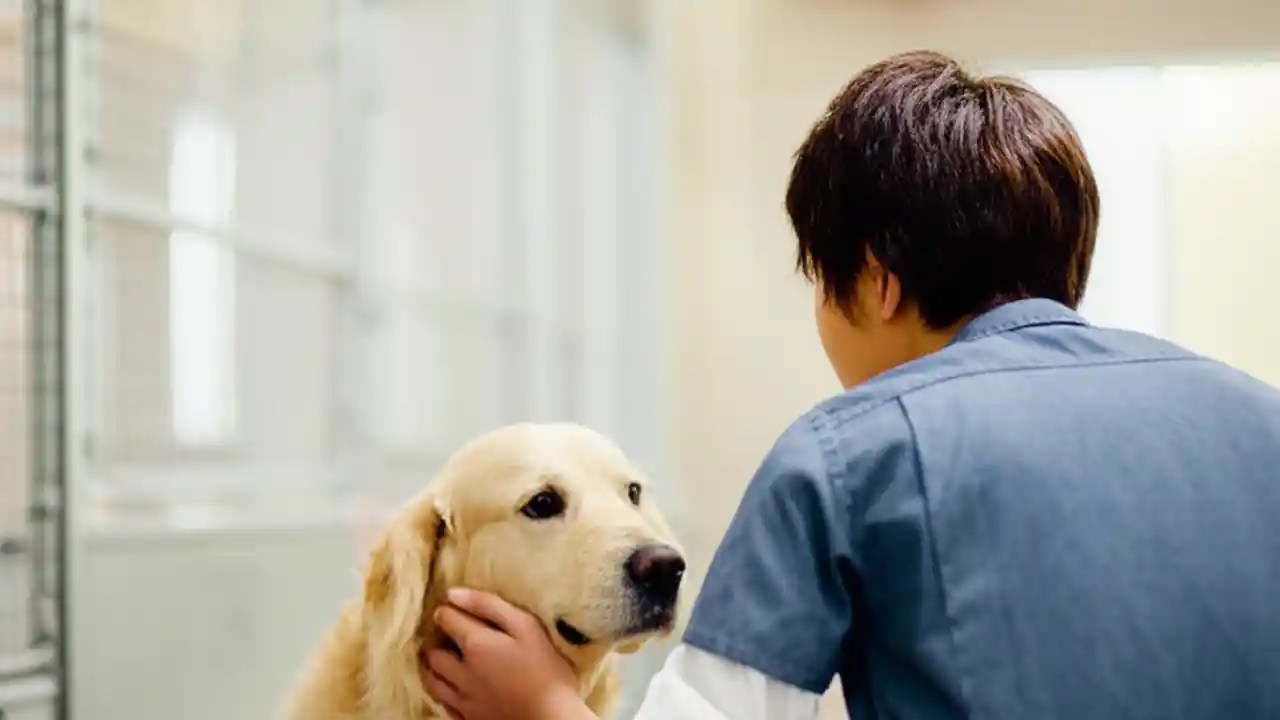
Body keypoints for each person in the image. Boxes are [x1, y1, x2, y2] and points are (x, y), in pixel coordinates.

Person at [423, 50, 1280, 719]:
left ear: (874, 280)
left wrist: (540, 705)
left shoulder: (845, 457)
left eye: (818, 284)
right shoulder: (1260, 420)